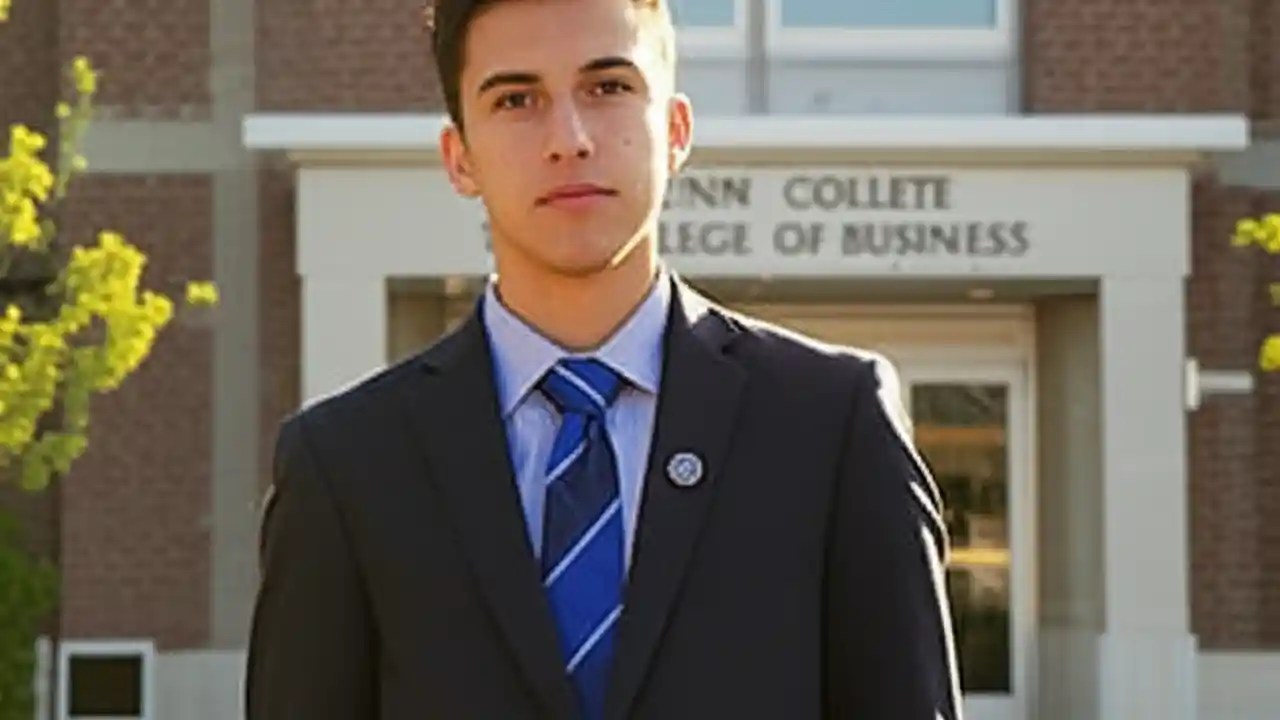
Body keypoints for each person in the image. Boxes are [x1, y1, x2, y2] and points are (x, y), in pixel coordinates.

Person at [243, 0, 964, 717]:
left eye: (608, 87)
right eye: (517, 99)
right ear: (459, 158)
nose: (570, 138)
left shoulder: (829, 424)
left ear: (676, 129)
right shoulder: (348, 465)